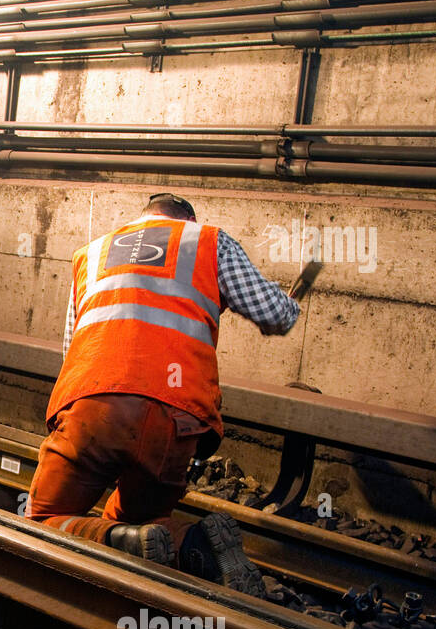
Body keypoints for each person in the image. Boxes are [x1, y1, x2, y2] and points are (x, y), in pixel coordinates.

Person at [27, 193, 305, 594]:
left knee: (46, 517)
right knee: (147, 520)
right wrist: (290, 308)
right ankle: (194, 540)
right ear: (189, 219)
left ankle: (115, 541)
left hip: (94, 404)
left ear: (143, 219)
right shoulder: (208, 242)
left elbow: (73, 348)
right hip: (174, 418)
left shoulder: (92, 253)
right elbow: (274, 314)